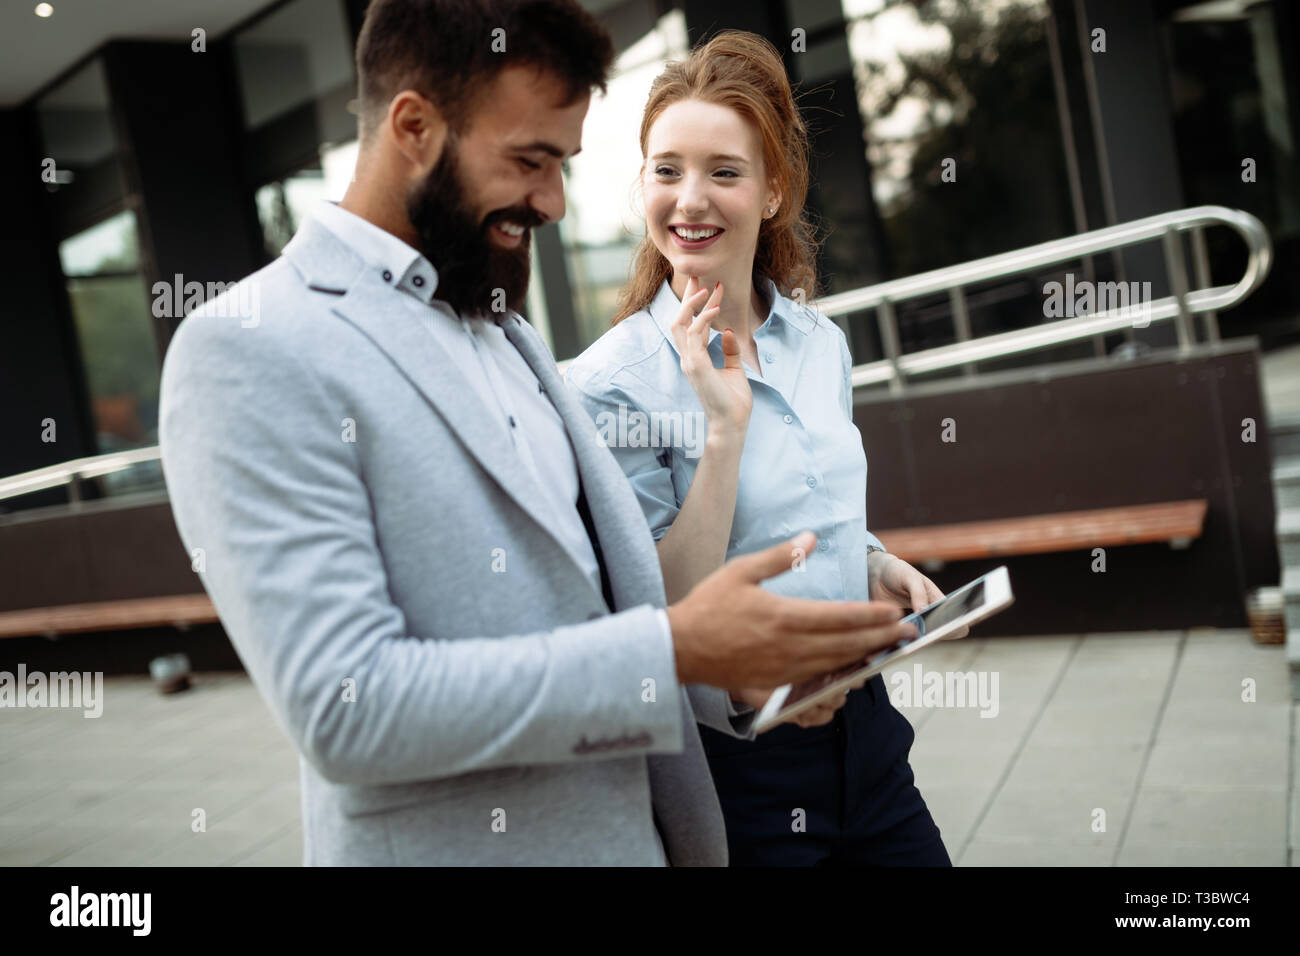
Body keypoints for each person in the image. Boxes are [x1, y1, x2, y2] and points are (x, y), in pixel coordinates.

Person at [158, 0, 915, 866]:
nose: (552, 200)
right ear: (414, 126)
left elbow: (612, 594)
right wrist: (676, 648)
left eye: (563, 164)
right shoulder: (247, 347)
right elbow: (346, 706)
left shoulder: (505, 330)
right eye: (529, 160)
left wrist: (744, 668)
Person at [566, 31, 958, 866]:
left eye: (724, 171)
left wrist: (875, 561)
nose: (690, 198)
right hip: (740, 763)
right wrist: (722, 434)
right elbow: (656, 605)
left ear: (774, 191)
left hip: (868, 731)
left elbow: (816, 503)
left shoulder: (821, 343)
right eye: (666, 169)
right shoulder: (609, 385)